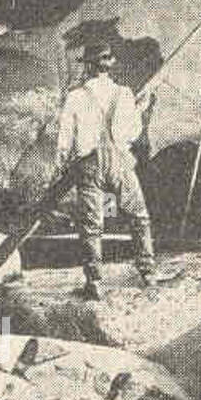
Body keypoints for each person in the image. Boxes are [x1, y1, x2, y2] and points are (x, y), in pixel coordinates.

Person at [56, 41, 161, 300]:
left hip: (89, 164)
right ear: (109, 67)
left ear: (88, 68)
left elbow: (64, 140)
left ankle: (95, 282)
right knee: (139, 216)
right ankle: (148, 272)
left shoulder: (75, 96)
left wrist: (61, 166)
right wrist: (140, 108)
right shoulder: (124, 93)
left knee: (91, 226)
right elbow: (133, 132)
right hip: (119, 161)